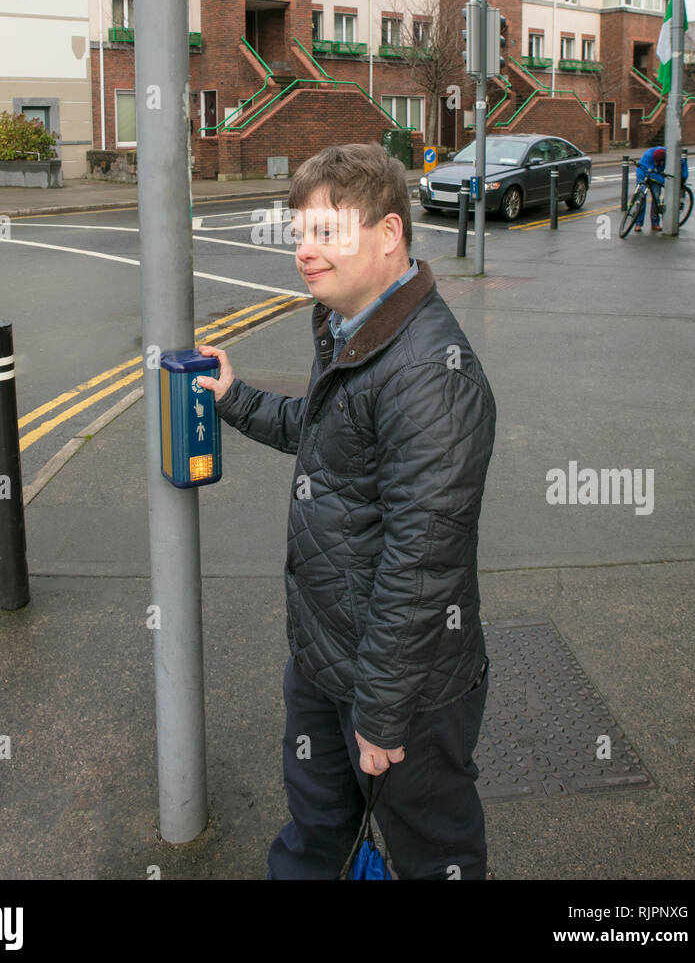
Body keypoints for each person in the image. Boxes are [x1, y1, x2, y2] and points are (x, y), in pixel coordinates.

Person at [196, 142, 496, 880]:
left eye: (327, 231)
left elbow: (422, 564)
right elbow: (326, 435)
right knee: (316, 829)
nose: (304, 250)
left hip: (404, 688)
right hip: (329, 660)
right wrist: (234, 398)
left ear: (389, 235)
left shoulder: (430, 375)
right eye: (299, 231)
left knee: (433, 851)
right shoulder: (354, 330)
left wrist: (383, 714)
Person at [633, 145, 689, 232]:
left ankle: (655, 223)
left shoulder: (670, 155)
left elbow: (683, 164)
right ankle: (638, 223)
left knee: (656, 197)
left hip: (657, 174)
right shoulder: (648, 156)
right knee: (641, 197)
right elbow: (650, 174)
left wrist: (683, 177)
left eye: (660, 162)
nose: (658, 164)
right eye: (656, 162)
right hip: (643, 173)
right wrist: (664, 182)